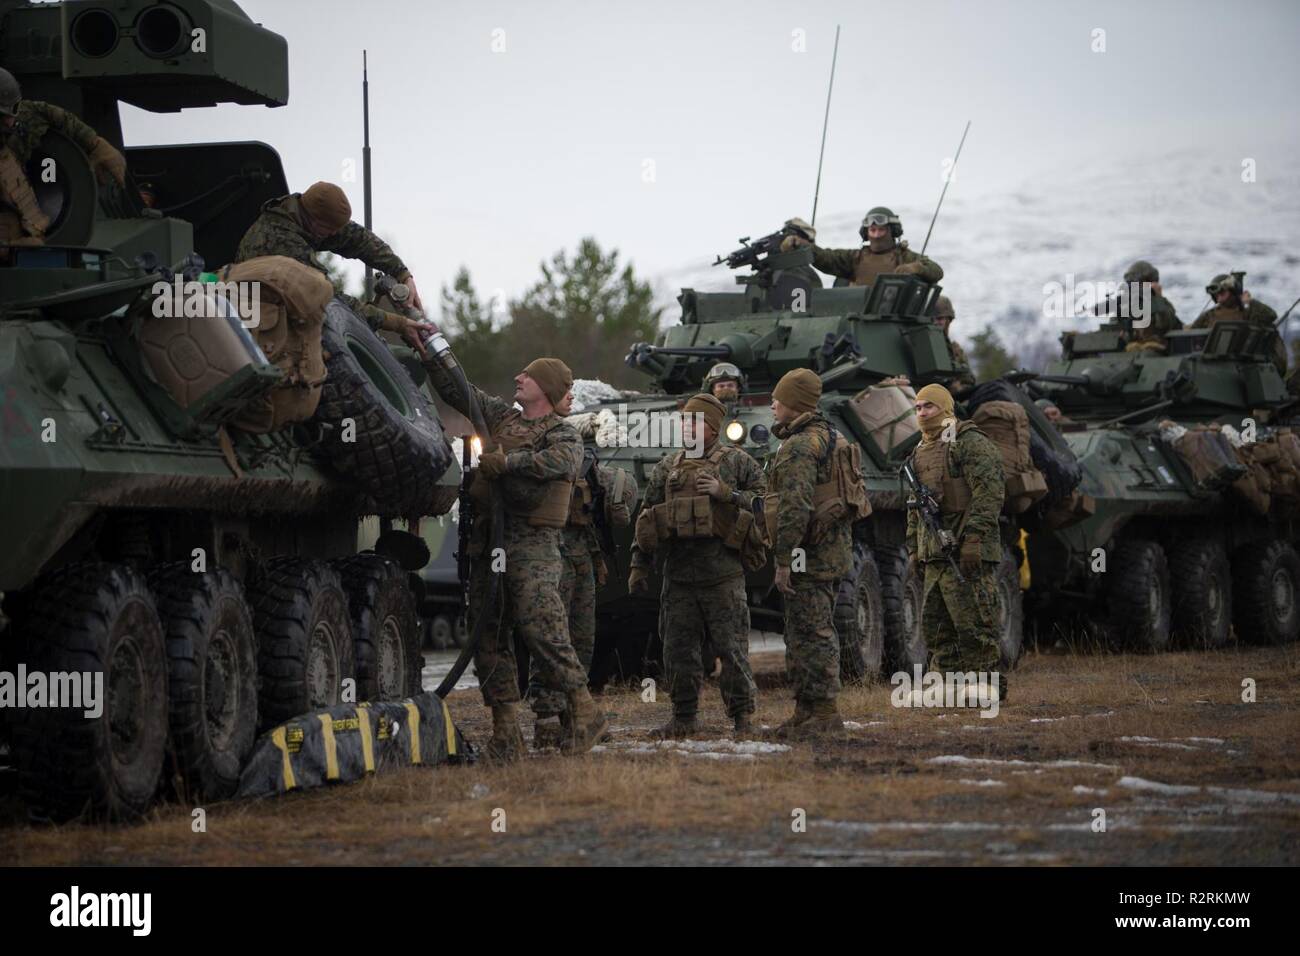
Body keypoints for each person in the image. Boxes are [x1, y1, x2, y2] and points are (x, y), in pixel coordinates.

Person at [422, 349, 606, 759]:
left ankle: (583, 709)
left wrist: (508, 464)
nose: (518, 377)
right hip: (489, 542)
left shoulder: (562, 432)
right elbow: (458, 389)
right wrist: (426, 342)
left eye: (528, 374)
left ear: (547, 389)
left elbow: (562, 462)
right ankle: (506, 732)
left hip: (532, 544)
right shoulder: (501, 417)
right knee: (486, 633)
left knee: (542, 628)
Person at [628, 394, 767, 737]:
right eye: (684, 421)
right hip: (678, 576)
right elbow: (646, 518)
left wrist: (727, 493)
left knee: (732, 650)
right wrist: (638, 565)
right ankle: (684, 717)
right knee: (678, 650)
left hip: (722, 575)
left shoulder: (737, 462)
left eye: (696, 421)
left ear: (713, 427)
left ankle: (743, 719)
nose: (687, 427)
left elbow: (767, 505)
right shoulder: (668, 467)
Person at [528, 391, 638, 748]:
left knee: (582, 639)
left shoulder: (584, 452)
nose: (573, 400)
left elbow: (605, 507)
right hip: (550, 556)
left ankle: (575, 717)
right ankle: (546, 720)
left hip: (583, 558)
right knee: (551, 640)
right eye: (564, 394)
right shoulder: (535, 438)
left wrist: (616, 487)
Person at [236, 180, 427, 351]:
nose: (333, 234)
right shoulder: (280, 242)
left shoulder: (307, 217)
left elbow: (360, 239)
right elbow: (330, 302)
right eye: (329, 230)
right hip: (258, 324)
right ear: (313, 219)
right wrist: (396, 323)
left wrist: (403, 274)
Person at [905, 383, 1006, 701]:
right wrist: (913, 548)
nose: (922, 414)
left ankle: (985, 688)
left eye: (929, 407)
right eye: (918, 408)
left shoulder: (970, 442)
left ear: (945, 409)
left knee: (973, 623)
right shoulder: (919, 451)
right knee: (937, 626)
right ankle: (948, 687)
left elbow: (990, 492)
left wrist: (974, 537)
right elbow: (915, 508)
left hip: (966, 552)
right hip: (934, 554)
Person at [766, 369, 853, 737]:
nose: (772, 404)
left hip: (808, 554)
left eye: (779, 399)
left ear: (795, 404)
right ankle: (806, 710)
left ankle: (826, 713)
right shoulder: (831, 436)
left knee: (812, 633)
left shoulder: (802, 446)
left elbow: (795, 506)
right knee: (804, 630)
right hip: (828, 551)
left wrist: (784, 558)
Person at [0, 66, 127, 246]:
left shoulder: (22, 118)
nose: (9, 121)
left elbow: (52, 114)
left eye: (13, 110)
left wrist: (96, 145)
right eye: (1, 115)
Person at [785, 206, 942, 288]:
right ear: (866, 233)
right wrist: (803, 244)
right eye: (872, 230)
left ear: (892, 231)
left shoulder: (905, 257)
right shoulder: (855, 258)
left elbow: (936, 271)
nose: (876, 233)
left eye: (881, 229)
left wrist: (916, 268)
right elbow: (826, 257)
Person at [1191, 272, 1284, 372]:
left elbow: (1270, 315)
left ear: (1232, 292)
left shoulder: (1248, 313)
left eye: (1222, 293)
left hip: (1242, 367)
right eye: (1216, 295)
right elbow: (1190, 335)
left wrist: (1250, 301)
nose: (1219, 298)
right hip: (1212, 366)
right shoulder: (1209, 315)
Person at [1118, 260, 1181, 351]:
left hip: (1158, 350)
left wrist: (1157, 298)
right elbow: (1115, 330)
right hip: (1130, 351)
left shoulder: (1162, 303)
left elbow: (1166, 324)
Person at [932, 295, 976, 391]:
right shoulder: (919, 346)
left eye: (940, 319)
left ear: (947, 321)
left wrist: (959, 387)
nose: (935, 323)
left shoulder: (955, 349)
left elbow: (969, 380)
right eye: (932, 319)